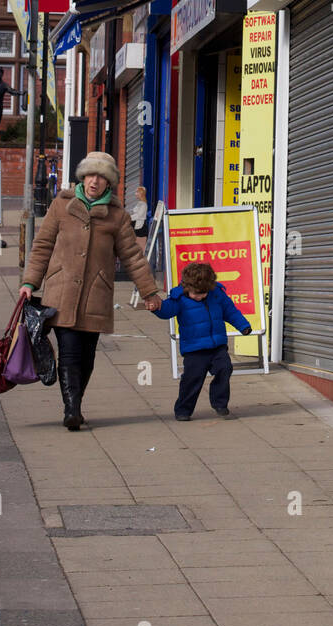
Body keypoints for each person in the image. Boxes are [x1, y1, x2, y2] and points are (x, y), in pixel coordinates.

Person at [19, 152, 163, 430]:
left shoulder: (117, 216)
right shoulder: (61, 206)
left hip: (96, 294)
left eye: (101, 177)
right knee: (70, 352)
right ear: (82, 176)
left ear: (109, 183)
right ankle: (71, 408)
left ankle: (76, 401)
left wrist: (149, 292)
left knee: (87, 356)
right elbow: (42, 246)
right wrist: (29, 283)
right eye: (90, 175)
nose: (94, 181)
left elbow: (132, 256)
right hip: (60, 292)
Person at [154, 262, 252, 421]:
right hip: (194, 349)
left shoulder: (217, 294)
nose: (199, 296)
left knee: (225, 368)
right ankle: (183, 410)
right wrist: (155, 308)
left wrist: (243, 326)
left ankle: (220, 403)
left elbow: (230, 311)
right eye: (196, 294)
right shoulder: (179, 298)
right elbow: (166, 311)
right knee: (192, 380)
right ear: (187, 287)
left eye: (203, 293)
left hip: (217, 346)